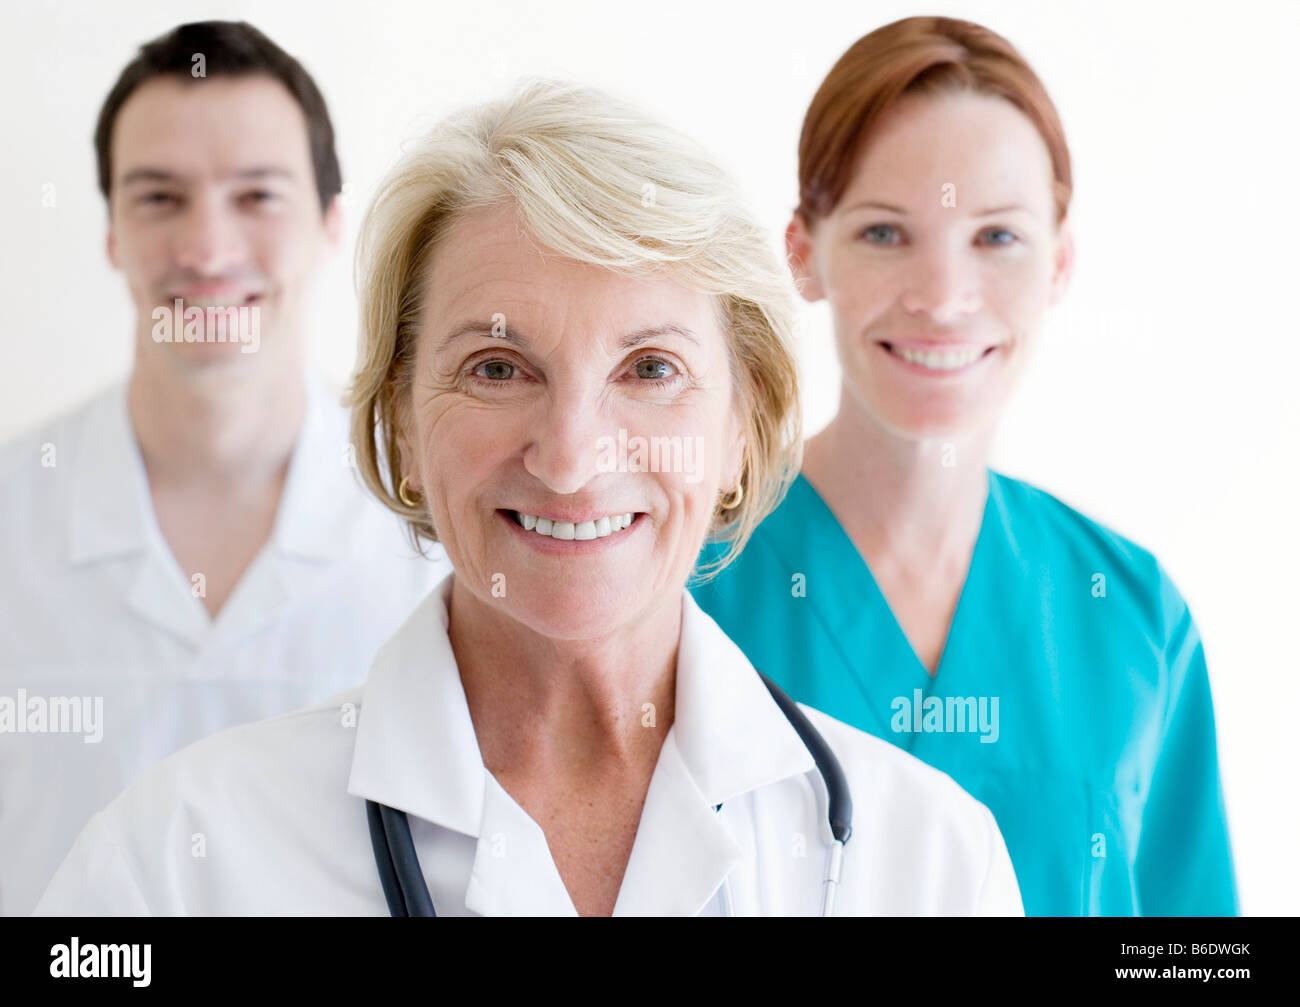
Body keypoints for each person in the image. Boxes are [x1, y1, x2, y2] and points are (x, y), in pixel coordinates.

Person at [36, 80, 1023, 916]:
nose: (570, 456)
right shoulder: (173, 863)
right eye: (498, 367)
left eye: (648, 367)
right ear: (400, 424)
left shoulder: (927, 861)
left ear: (741, 430)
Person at [689, 16, 1238, 915]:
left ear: (1059, 262)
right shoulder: (689, 588)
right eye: (883, 233)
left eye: (996, 237)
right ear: (803, 252)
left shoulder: (1135, 619)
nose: (943, 298)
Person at [0, 21, 449, 916]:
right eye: (160, 197)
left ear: (330, 224)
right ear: (112, 233)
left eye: (257, 195)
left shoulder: (439, 529)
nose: (206, 249)